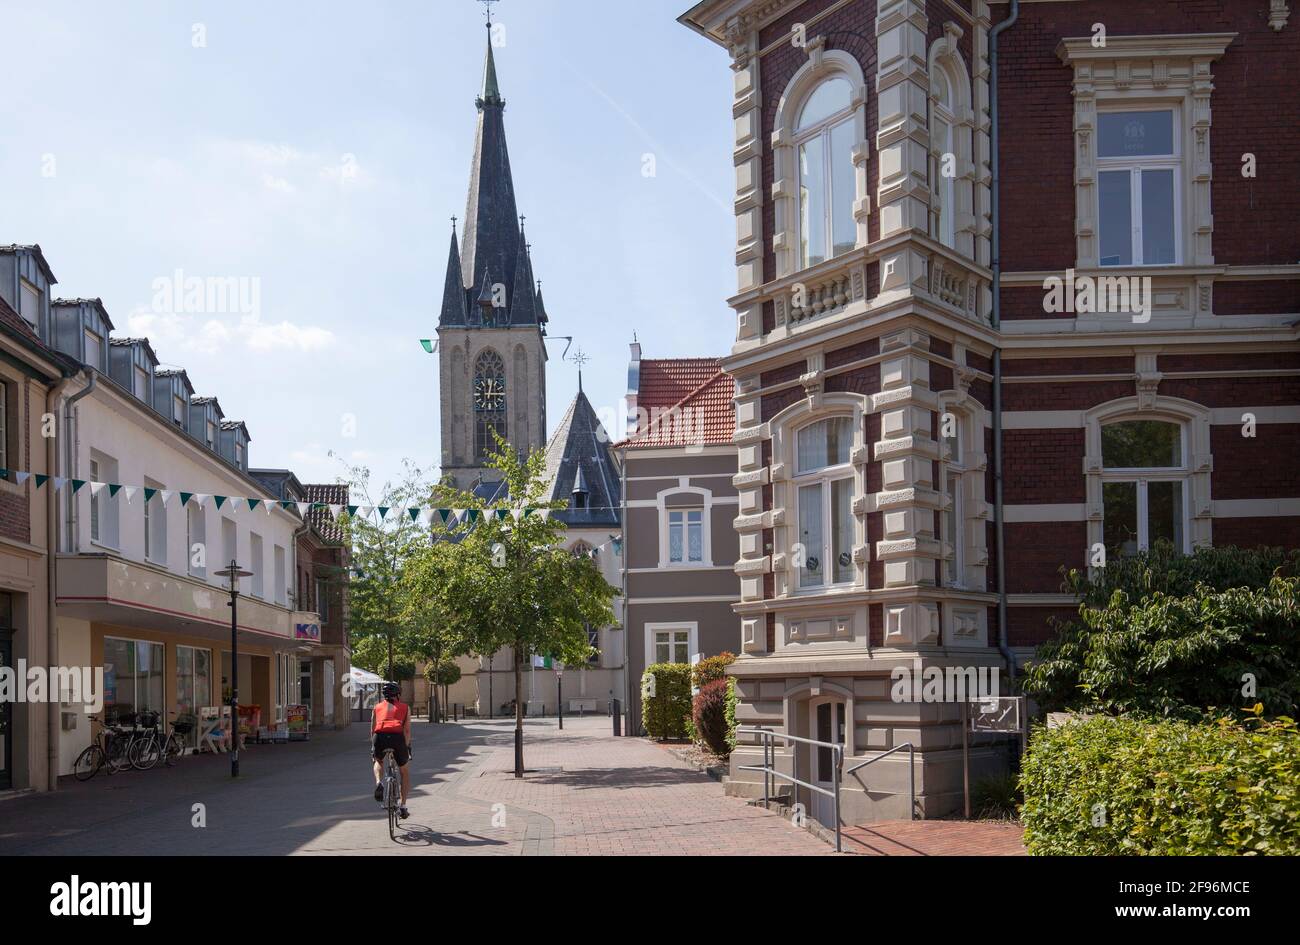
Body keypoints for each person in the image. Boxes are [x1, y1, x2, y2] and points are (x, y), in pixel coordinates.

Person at [371, 681, 412, 819]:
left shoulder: (376, 707)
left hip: (380, 737)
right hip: (397, 738)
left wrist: (374, 747)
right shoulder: (405, 707)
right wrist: (406, 748)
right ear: (398, 694)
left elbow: (372, 729)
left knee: (378, 761)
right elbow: (406, 731)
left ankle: (379, 782)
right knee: (404, 771)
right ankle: (403, 806)